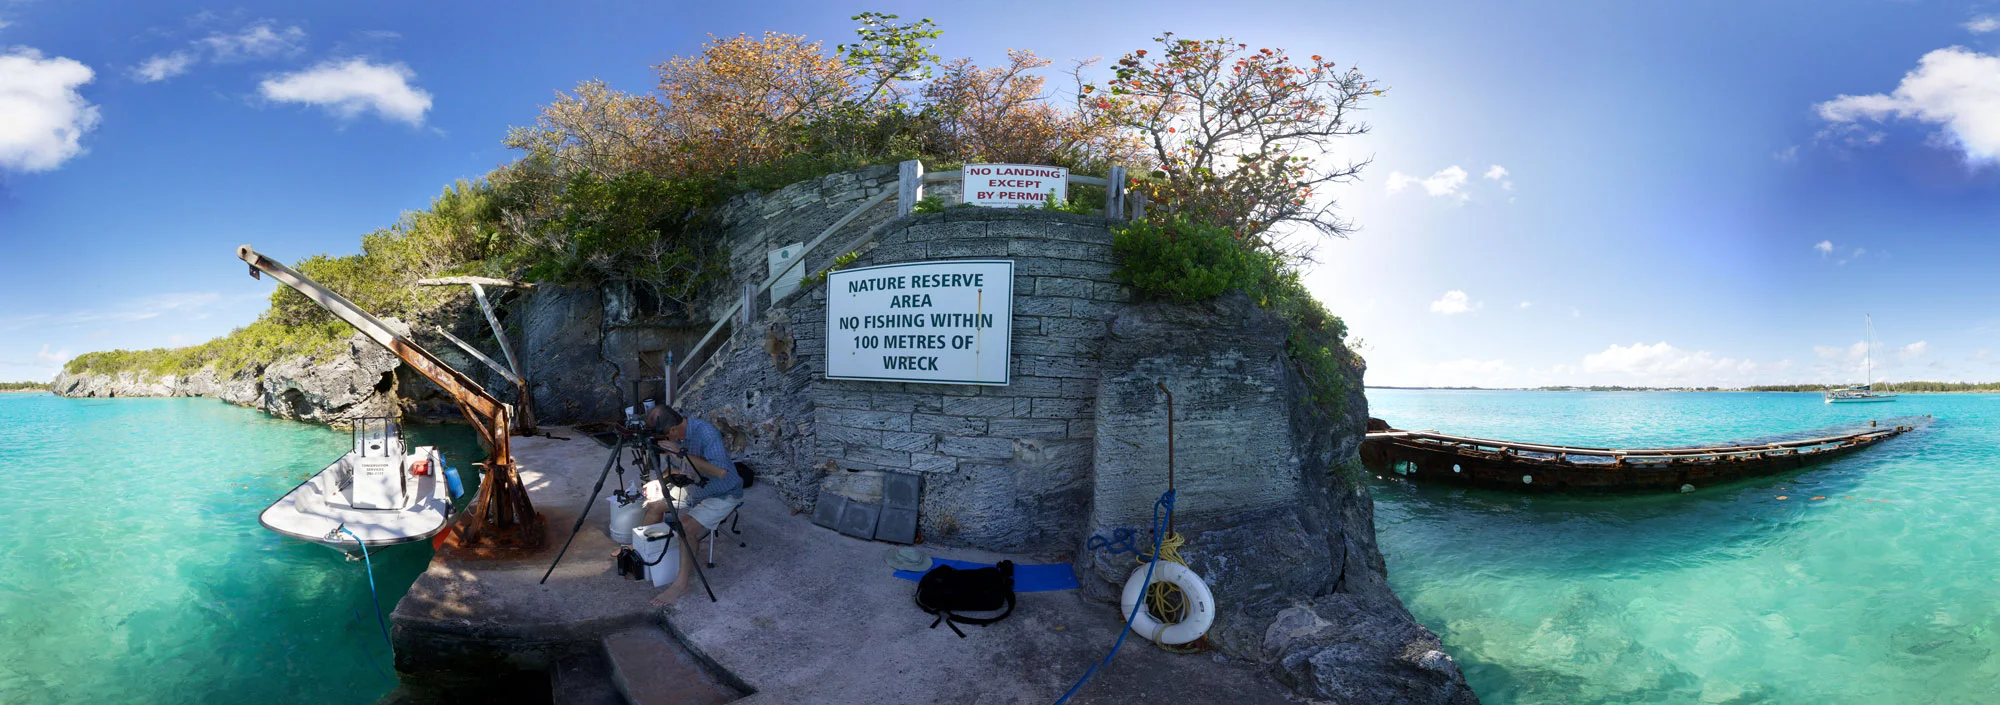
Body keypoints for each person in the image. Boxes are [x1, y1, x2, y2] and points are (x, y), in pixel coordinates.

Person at [640, 405, 743, 605]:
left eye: (663, 438)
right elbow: (683, 470)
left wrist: (681, 453)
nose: (662, 443)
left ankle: (680, 584)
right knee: (653, 504)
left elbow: (721, 472)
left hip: (723, 492)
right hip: (694, 485)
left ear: (671, 431)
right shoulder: (677, 436)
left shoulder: (706, 433)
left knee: (684, 527)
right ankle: (639, 549)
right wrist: (660, 481)